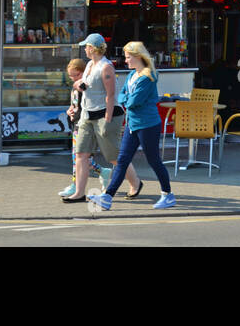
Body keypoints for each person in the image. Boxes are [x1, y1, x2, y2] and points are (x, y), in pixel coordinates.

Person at [89, 41, 176, 211]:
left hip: (148, 125)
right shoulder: (132, 75)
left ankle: (168, 195)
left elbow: (134, 101)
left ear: (137, 57)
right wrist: (126, 100)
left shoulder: (148, 77)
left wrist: (127, 100)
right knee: (122, 161)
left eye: (128, 57)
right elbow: (122, 96)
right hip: (132, 124)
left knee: (154, 161)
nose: (126, 61)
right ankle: (107, 197)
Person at [63, 34, 139, 203]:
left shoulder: (106, 67)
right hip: (87, 115)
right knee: (81, 153)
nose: (84, 49)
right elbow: (81, 83)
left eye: (86, 46)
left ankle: (135, 183)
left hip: (107, 114)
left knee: (112, 156)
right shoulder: (90, 64)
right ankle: (79, 193)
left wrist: (108, 119)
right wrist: (79, 85)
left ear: (93, 48)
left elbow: (111, 95)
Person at [59, 58, 109, 198]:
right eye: (70, 76)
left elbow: (88, 105)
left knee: (79, 157)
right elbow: (75, 104)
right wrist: (70, 110)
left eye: (76, 75)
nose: (73, 78)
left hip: (83, 124)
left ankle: (76, 185)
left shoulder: (85, 87)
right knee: (79, 157)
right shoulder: (75, 87)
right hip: (75, 123)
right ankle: (102, 172)